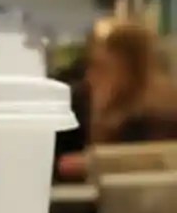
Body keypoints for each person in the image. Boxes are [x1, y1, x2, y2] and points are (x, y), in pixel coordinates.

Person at [57, 23, 177, 180]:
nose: (90, 78)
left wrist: (92, 163)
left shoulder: (157, 119)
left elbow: (159, 162)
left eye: (102, 68)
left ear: (130, 72)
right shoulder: (82, 106)